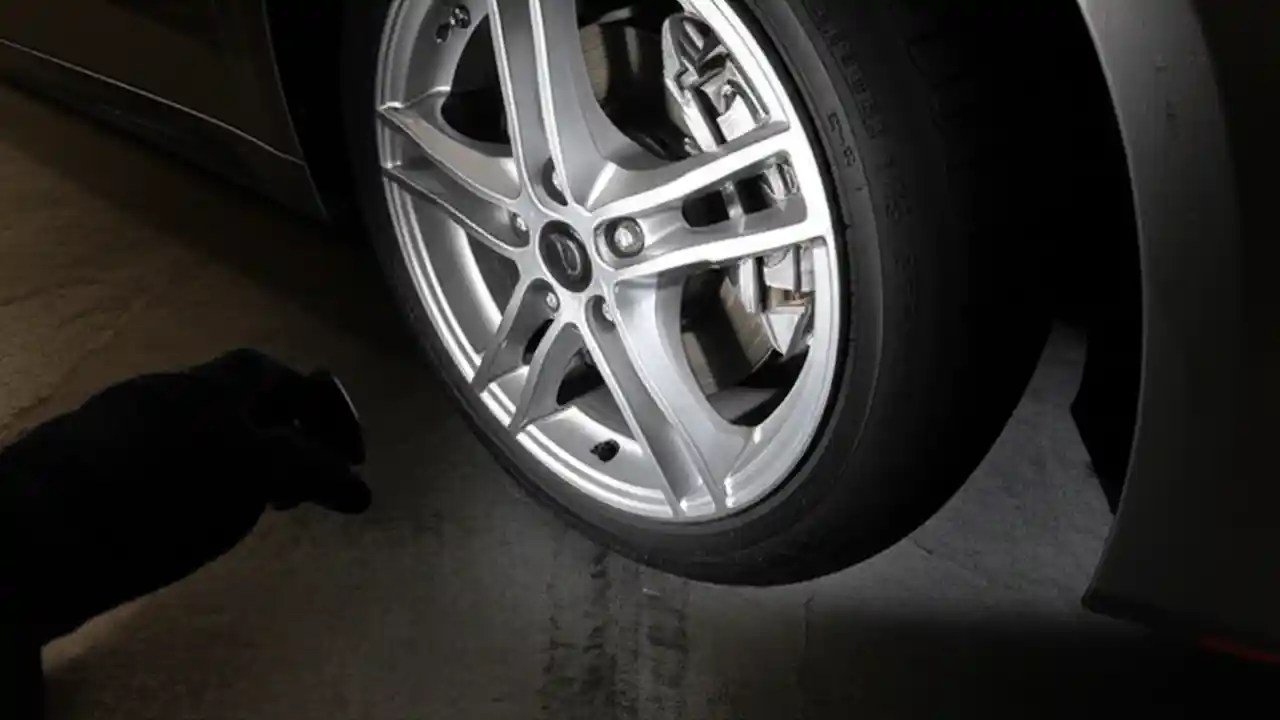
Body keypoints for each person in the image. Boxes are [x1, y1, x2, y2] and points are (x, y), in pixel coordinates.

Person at [0, 349, 371, 718]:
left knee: (205, 481)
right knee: (194, 400)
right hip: (124, 427)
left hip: (136, 504)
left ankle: (287, 459)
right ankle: (283, 403)